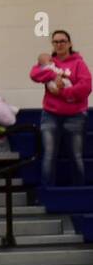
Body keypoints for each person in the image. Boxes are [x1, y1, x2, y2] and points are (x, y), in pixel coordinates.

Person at [30, 30, 90, 187]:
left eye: (62, 41)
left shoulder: (79, 63)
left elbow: (86, 87)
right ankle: (48, 192)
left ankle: (79, 192)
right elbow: (34, 74)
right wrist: (52, 76)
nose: (59, 44)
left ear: (69, 43)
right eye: (55, 42)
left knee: (76, 156)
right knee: (49, 155)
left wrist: (62, 91)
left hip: (75, 116)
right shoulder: (49, 62)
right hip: (50, 115)